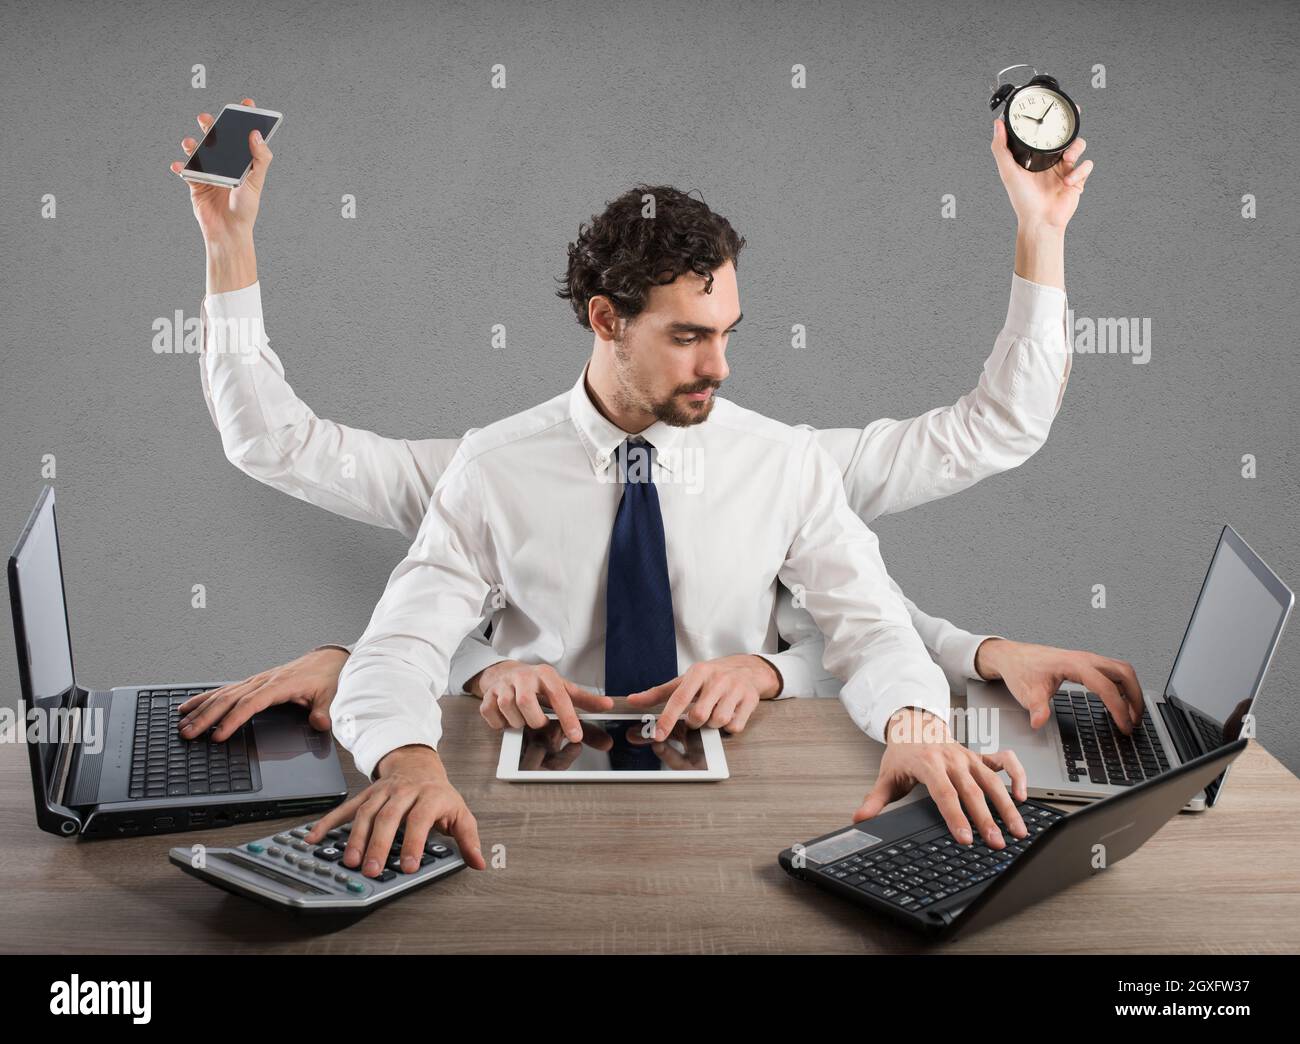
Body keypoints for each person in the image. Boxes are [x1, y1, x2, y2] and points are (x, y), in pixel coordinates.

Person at [170, 100, 1141, 881]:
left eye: (727, 330)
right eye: (686, 335)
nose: (718, 364)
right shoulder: (491, 469)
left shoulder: (782, 462)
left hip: (755, 830)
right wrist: (228, 244)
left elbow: (880, 607)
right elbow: (310, 494)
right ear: (604, 318)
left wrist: (1039, 230)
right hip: (521, 838)